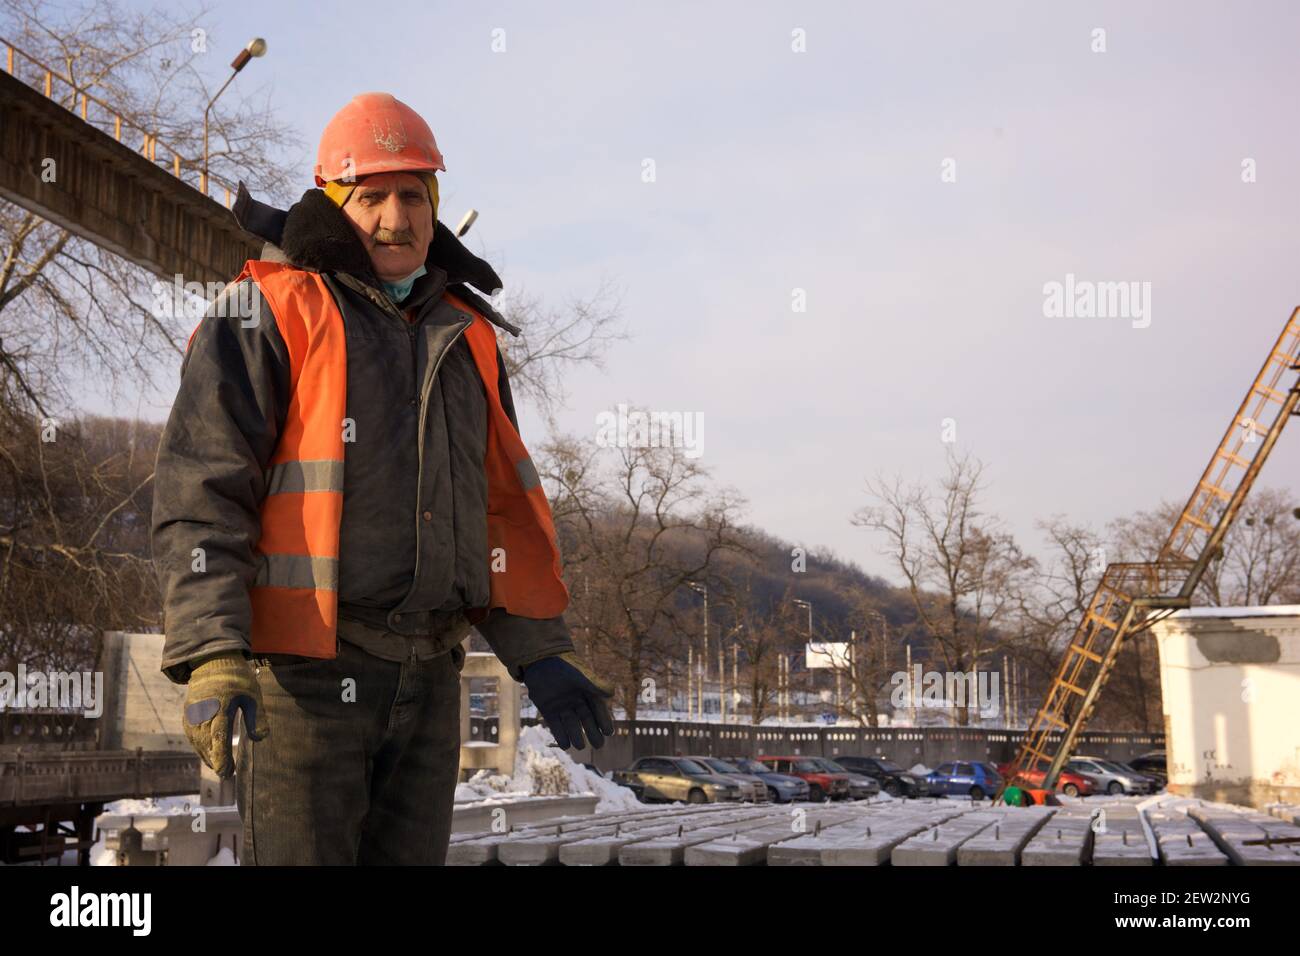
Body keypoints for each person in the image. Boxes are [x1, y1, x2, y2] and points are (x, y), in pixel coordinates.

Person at [151, 92, 614, 865]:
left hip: (429, 681)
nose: (395, 218)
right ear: (333, 204)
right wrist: (212, 649)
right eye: (371, 197)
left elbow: (495, 511)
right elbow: (203, 488)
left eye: (413, 195)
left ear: (435, 206)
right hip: (304, 688)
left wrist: (539, 651)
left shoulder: (466, 337)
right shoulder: (264, 313)